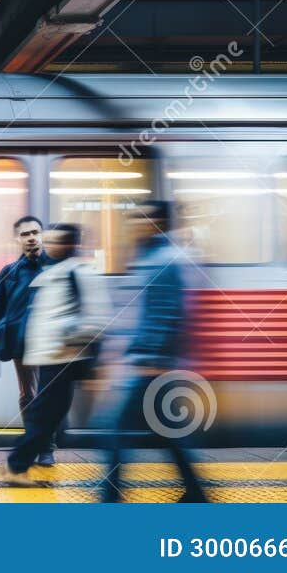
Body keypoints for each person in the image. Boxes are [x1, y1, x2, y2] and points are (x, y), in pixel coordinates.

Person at [100, 201, 208, 503]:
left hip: (150, 365)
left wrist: (151, 359)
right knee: (169, 433)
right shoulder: (150, 256)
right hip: (149, 362)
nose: (132, 223)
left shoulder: (163, 260)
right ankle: (197, 494)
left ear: (155, 222)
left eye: (139, 218)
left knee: (113, 431)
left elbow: (167, 314)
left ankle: (109, 498)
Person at [0, 224, 108, 484]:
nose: (49, 246)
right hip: (54, 357)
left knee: (47, 413)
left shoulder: (77, 273)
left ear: (69, 245)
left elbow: (94, 318)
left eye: (56, 241)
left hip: (65, 356)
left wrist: (66, 336)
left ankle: (17, 464)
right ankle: (16, 465)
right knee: (47, 413)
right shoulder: (53, 273)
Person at [0, 216, 59, 465]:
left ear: (42, 235)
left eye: (35, 232)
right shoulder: (10, 272)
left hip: (50, 343)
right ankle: (37, 444)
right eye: (25, 234)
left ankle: (47, 446)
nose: (31, 238)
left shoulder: (55, 268)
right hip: (21, 343)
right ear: (17, 239)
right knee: (27, 395)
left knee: (48, 396)